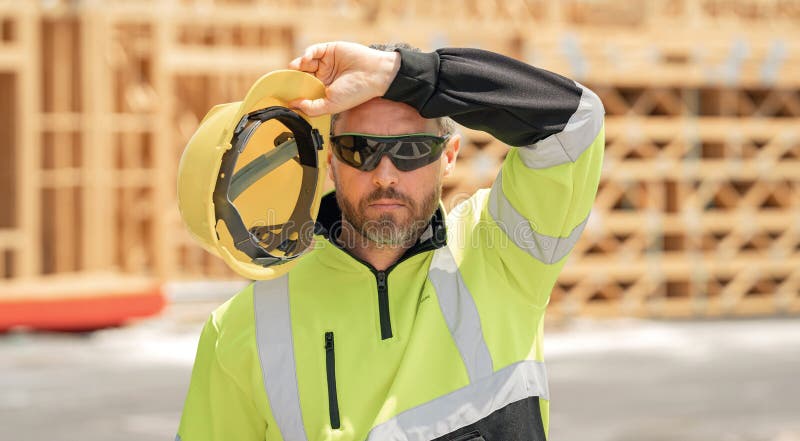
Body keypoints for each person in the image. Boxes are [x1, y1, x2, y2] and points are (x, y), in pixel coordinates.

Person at [176, 41, 604, 441]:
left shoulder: (503, 254)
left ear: (449, 156)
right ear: (330, 162)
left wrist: (399, 73)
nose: (385, 175)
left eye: (413, 149)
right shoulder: (241, 327)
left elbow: (574, 122)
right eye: (359, 150)